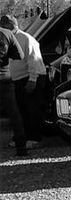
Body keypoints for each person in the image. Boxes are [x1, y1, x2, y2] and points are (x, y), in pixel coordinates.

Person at [1, 15, 46, 151]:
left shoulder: (25, 38)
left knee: (32, 109)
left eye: (3, 24)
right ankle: (22, 137)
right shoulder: (7, 37)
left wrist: (32, 80)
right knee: (20, 109)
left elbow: (34, 60)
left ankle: (34, 138)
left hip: (32, 77)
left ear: (11, 25)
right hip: (17, 79)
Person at [0, 24, 26, 156]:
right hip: (5, 79)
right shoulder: (7, 33)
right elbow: (20, 55)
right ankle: (21, 149)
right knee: (14, 114)